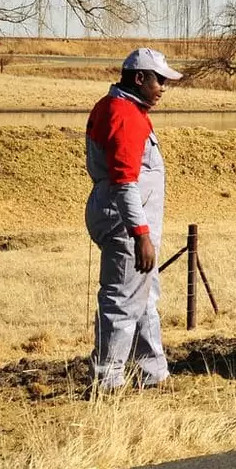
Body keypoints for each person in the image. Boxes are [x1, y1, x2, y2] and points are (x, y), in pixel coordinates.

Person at [84, 47, 183, 391]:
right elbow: (126, 182)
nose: (163, 89)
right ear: (139, 78)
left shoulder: (118, 108)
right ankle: (107, 382)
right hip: (125, 221)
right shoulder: (124, 114)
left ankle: (153, 374)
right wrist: (140, 234)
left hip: (123, 216)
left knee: (144, 297)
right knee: (123, 301)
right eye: (160, 80)